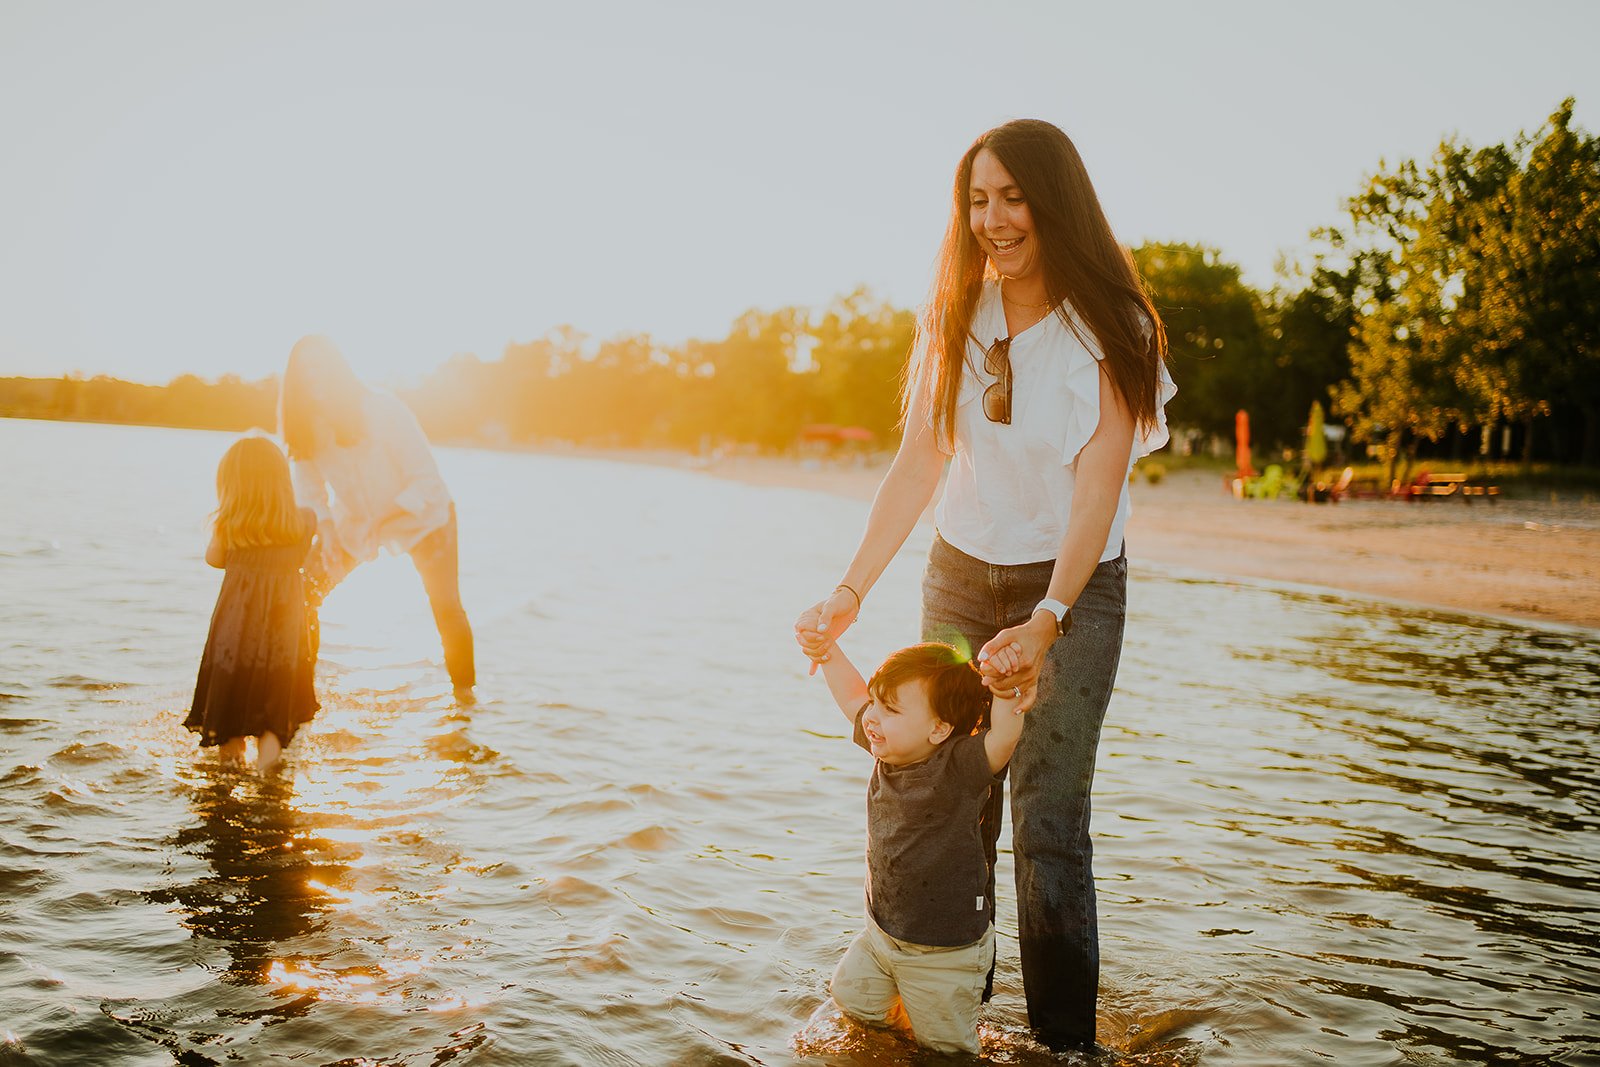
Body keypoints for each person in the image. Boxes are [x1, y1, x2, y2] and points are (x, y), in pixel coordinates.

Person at [794, 118, 1175, 1050]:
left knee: (1046, 822)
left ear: (1056, 202)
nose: (993, 219)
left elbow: (1099, 488)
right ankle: (949, 1011)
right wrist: (849, 591)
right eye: (977, 199)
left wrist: (1049, 617)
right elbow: (919, 461)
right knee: (952, 799)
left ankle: (1061, 1043)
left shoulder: (1116, 327)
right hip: (959, 574)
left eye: (1012, 197)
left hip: (1073, 590)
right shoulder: (954, 316)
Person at [816, 640, 1026, 1056]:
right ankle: (898, 1042)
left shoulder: (958, 765)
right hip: (882, 933)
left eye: (891, 710)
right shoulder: (888, 751)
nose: (872, 717)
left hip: (943, 949)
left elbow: (1002, 738)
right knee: (853, 999)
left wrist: (1005, 691)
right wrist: (829, 651)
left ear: (939, 729)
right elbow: (851, 696)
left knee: (947, 1050)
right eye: (877, 702)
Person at [279, 335, 475, 701]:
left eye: (319, 368)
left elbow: (427, 481)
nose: (312, 379)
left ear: (337, 370)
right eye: (304, 372)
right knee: (304, 595)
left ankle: (465, 701)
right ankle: (300, 701)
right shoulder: (302, 423)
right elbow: (310, 492)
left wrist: (380, 520)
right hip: (353, 524)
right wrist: (328, 534)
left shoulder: (382, 409)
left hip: (425, 518)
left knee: (446, 607)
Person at [185, 436, 319, 773]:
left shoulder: (229, 526)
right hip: (282, 637)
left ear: (231, 485)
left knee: (230, 715)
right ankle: (269, 774)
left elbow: (213, 560)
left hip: (235, 634)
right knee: (272, 718)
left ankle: (228, 779)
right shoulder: (304, 521)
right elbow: (304, 557)